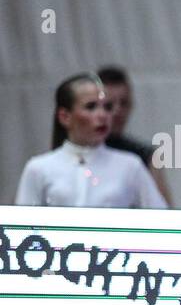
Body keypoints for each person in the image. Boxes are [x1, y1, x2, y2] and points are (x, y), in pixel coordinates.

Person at [16, 72, 167, 209]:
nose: (103, 115)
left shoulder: (130, 166)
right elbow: (21, 228)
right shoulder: (39, 168)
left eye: (107, 107)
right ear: (65, 117)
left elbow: (161, 221)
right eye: (91, 107)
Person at [98, 65, 172, 206]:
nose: (117, 111)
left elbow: (164, 212)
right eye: (108, 105)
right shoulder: (77, 156)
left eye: (124, 103)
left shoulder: (144, 156)